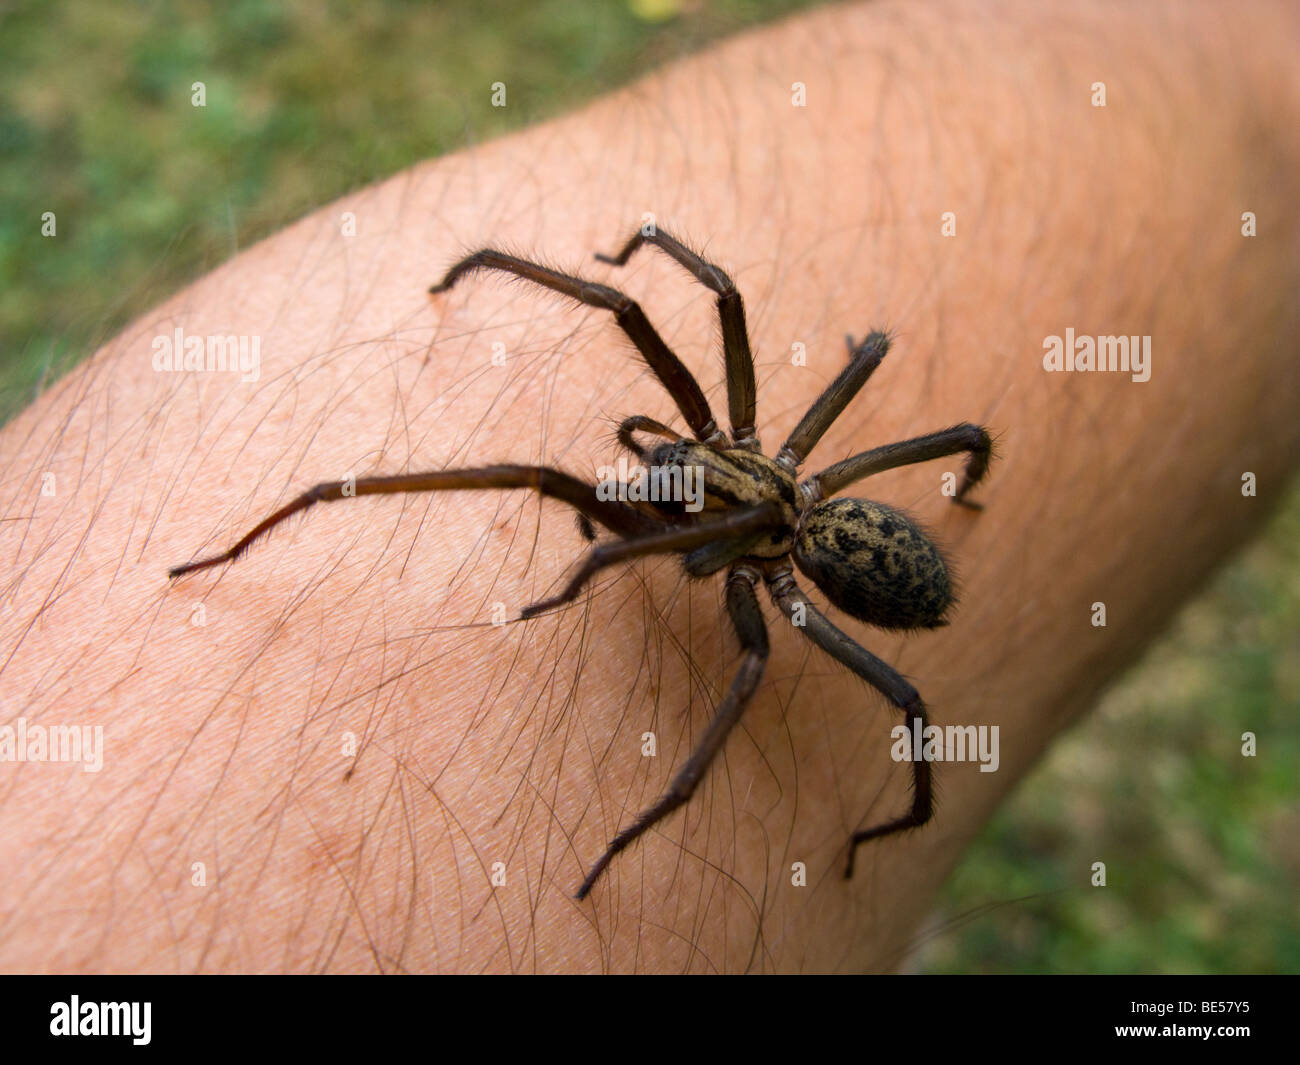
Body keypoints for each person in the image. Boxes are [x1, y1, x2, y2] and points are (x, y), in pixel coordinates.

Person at [2, 0, 1297, 972]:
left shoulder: (768, 584)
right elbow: (685, 307)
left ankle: (652, 819)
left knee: (767, 658)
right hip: (802, 493)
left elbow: (714, 592)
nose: (674, 474)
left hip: (825, 538)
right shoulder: (730, 455)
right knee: (659, 306)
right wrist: (567, 274)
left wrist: (591, 572)